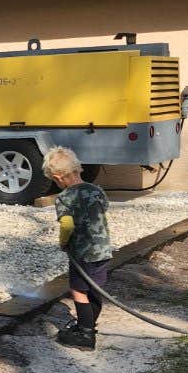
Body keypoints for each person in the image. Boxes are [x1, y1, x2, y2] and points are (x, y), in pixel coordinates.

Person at [42, 146, 113, 351]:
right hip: (103, 249)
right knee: (94, 289)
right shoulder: (96, 190)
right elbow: (103, 209)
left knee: (78, 290)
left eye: (54, 180)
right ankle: (88, 323)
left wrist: (63, 242)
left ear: (58, 177)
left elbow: (67, 225)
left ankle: (85, 335)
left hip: (83, 253)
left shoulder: (65, 198)